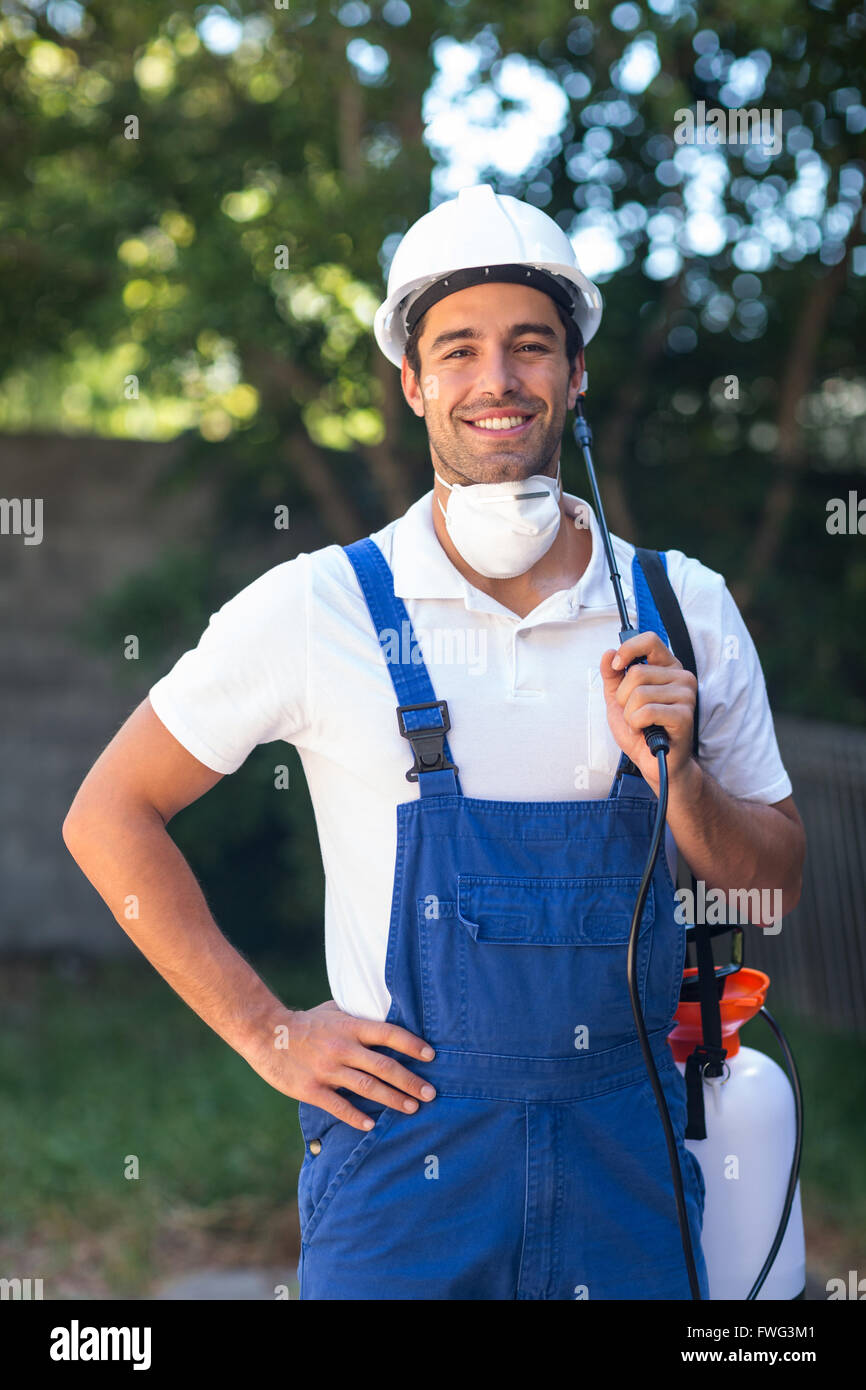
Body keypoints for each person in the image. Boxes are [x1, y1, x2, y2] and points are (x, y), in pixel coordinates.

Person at [63, 183, 805, 1301]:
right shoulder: (322, 607)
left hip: (630, 1166)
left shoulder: (678, 606)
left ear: (575, 374)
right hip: (404, 1174)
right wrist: (268, 1034)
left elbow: (775, 883)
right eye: (456, 350)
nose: (495, 380)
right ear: (412, 384)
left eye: (529, 346)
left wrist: (681, 778)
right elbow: (107, 814)